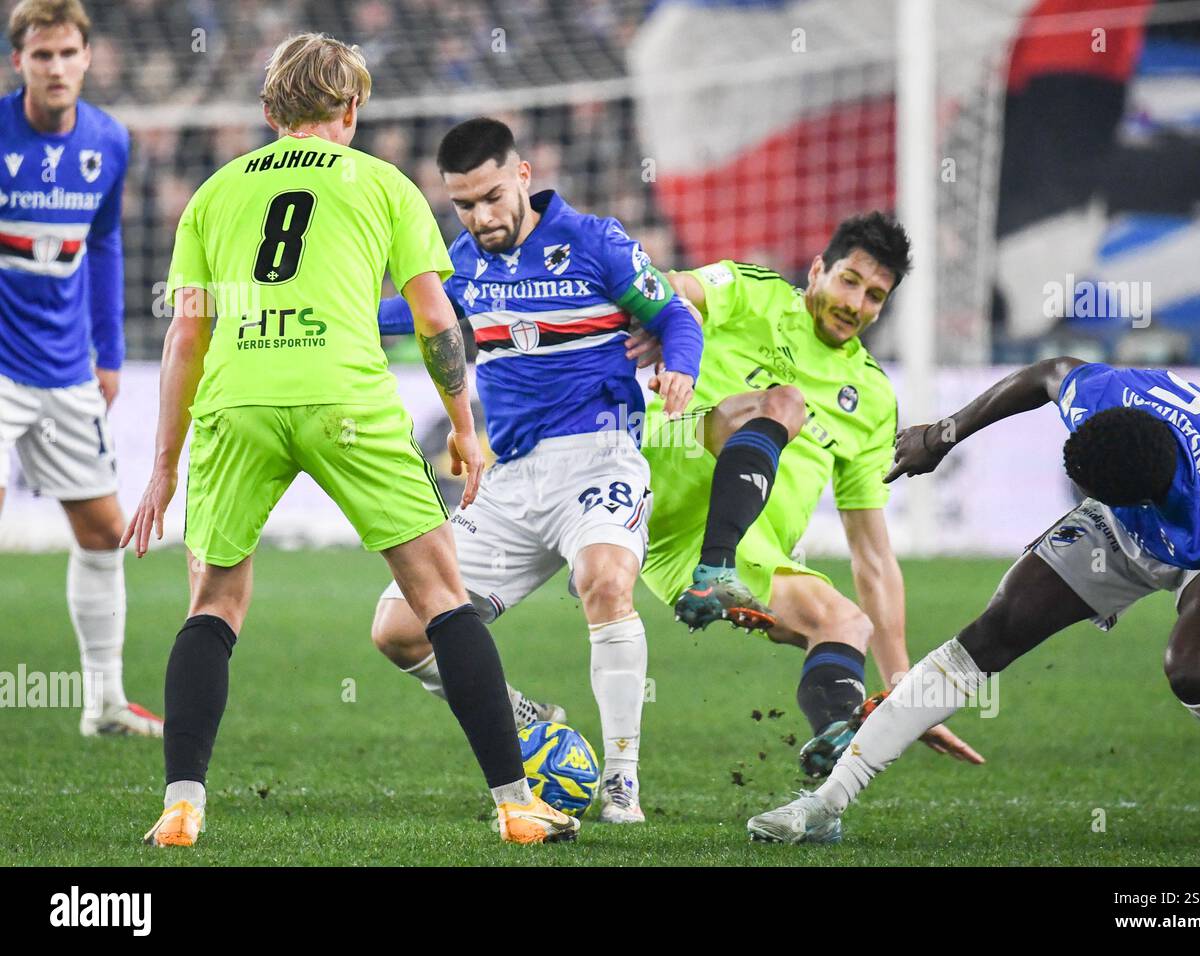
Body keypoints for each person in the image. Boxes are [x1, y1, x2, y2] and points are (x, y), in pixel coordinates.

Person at [124, 35, 575, 847]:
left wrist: (162, 467)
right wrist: (464, 428)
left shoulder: (214, 193)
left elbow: (186, 336)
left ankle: (182, 803)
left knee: (214, 607)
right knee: (441, 598)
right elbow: (438, 319)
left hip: (239, 400)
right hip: (346, 398)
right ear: (354, 111)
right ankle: (516, 803)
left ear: (268, 114)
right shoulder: (383, 183)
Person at [377, 213, 982, 781]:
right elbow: (672, 285)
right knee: (784, 402)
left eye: (874, 296)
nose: (855, 304)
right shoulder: (755, 290)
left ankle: (832, 769)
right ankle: (680, 566)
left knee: (846, 623)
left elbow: (873, 554)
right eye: (849, 281)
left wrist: (901, 677)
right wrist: (658, 318)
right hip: (648, 460)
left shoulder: (873, 399)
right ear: (818, 269)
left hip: (730, 553)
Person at [749, 359, 1200, 849]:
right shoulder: (1106, 399)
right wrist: (943, 434)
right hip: (1123, 522)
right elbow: (1045, 374)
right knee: (996, 628)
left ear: (1136, 498)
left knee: (1194, 668)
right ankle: (828, 802)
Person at [370, 117, 703, 824]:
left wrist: (680, 368)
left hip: (598, 460)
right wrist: (337, 313)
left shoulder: (596, 243)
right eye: (463, 204)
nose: (481, 217)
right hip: (511, 481)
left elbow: (675, 316)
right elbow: (414, 315)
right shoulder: (465, 260)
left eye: (491, 196)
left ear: (523, 176)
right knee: (398, 631)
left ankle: (621, 784)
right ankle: (530, 723)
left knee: (606, 580)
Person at [1, 0, 161, 736]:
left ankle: (101, 703)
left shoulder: (109, 140)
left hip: (65, 367)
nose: (56, 68)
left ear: (88, 57)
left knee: (103, 531)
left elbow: (103, 244)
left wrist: (106, 352)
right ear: (18, 62)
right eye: (42, 56)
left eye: (68, 54)